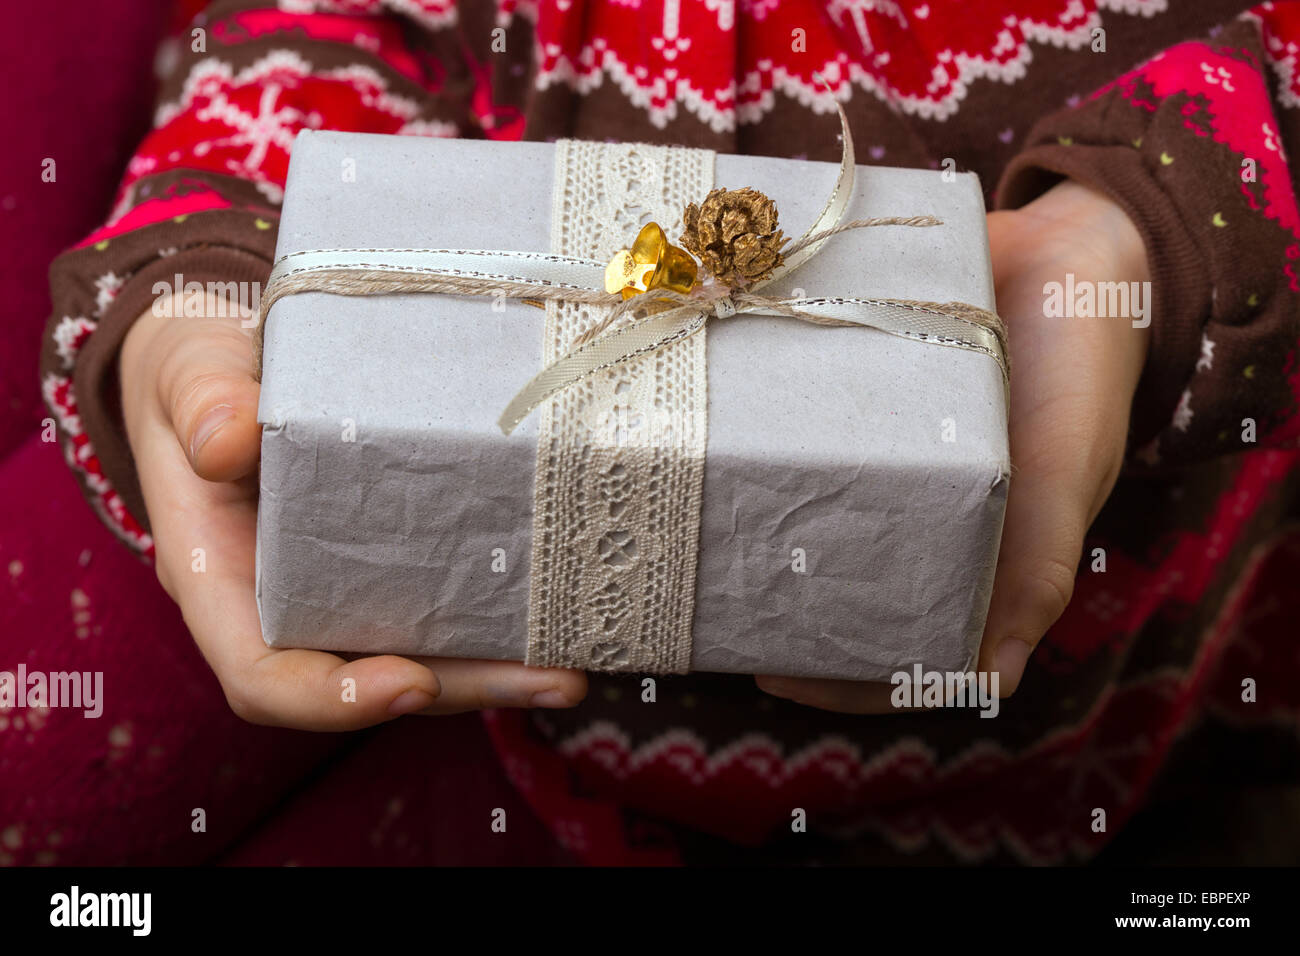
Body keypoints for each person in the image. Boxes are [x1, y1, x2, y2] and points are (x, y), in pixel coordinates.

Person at [36, 0, 1300, 864]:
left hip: (1094, 736)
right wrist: (194, 277)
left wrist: (1156, 221)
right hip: (526, 722)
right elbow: (313, 27)